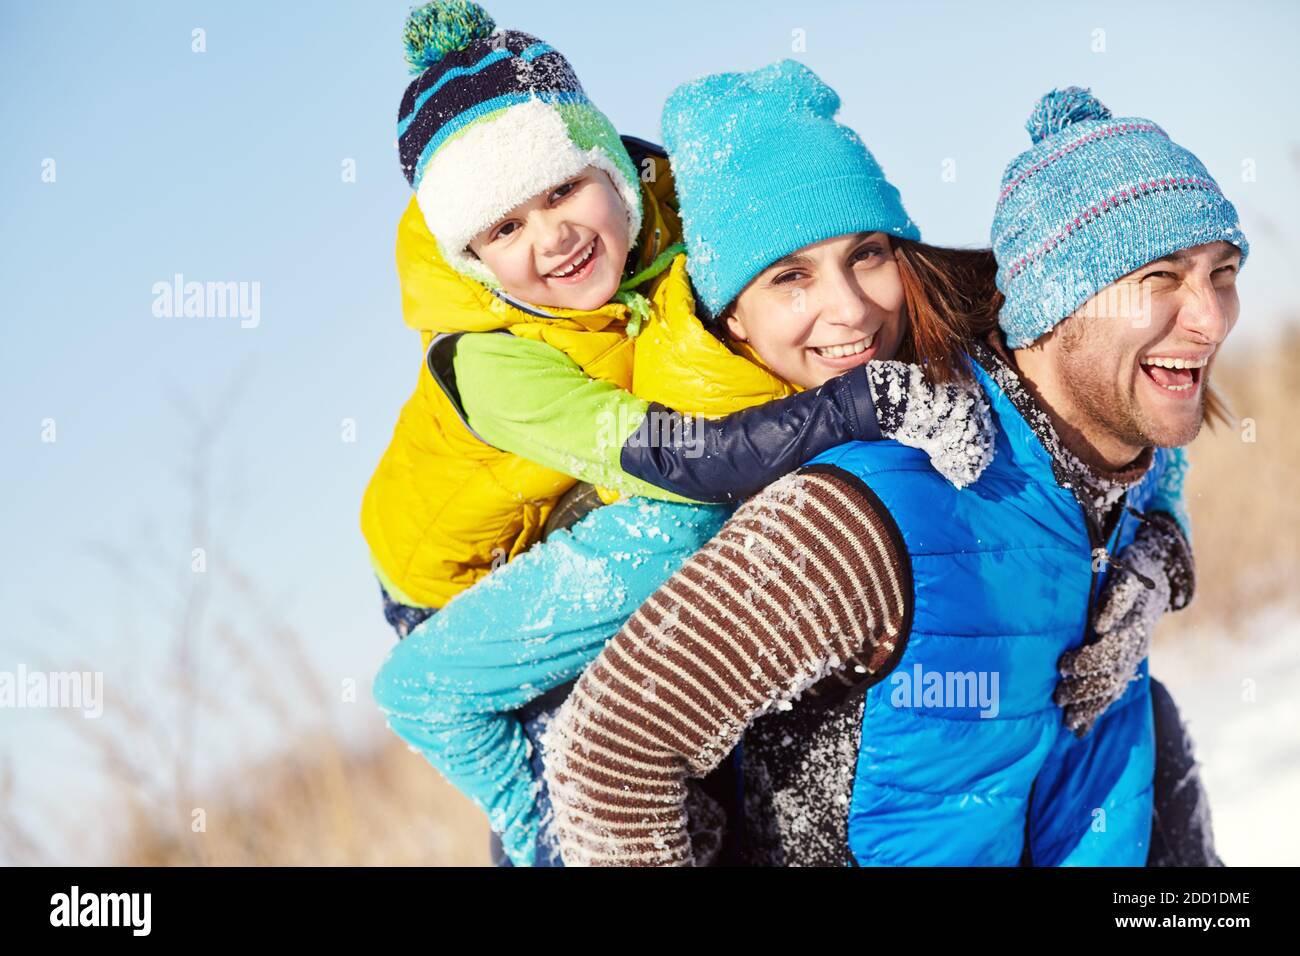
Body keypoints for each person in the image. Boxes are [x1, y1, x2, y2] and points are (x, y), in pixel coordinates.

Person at [542, 82, 1242, 867]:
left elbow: (1134, 437)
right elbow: (610, 749)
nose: (848, 311)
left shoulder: (1060, 426)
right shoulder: (836, 507)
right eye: (1158, 278)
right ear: (730, 317)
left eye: (1223, 273)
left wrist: (1157, 553)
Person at [366, 7, 991, 866]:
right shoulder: (489, 365)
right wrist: (857, 405)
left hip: (583, 507)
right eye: (505, 228)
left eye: (562, 189)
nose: (553, 239)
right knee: (493, 713)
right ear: (472, 256)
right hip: (452, 586)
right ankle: (537, 837)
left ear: (611, 167)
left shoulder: (665, 216)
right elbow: (678, 458)